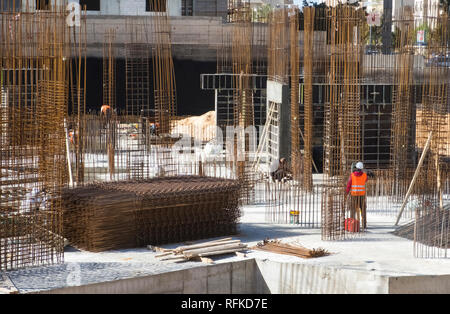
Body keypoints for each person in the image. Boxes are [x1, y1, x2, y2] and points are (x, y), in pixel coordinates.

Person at [345, 161, 374, 229]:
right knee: (363, 209)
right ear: (362, 168)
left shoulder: (352, 175)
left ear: (356, 168)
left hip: (354, 195)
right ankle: (364, 224)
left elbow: (349, 185)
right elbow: (365, 180)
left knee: (353, 209)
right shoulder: (364, 175)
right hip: (362, 195)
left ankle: (352, 224)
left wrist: (346, 192)